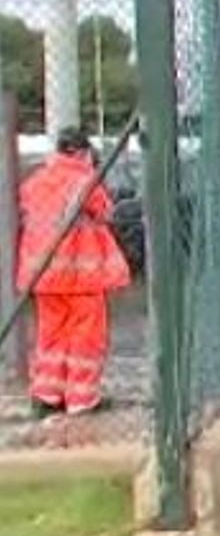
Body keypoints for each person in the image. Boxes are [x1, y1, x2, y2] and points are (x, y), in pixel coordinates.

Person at [15, 127, 131, 417]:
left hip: (43, 275)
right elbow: (106, 212)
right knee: (86, 337)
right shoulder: (85, 182)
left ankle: (46, 396)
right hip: (81, 277)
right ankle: (81, 399)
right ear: (82, 153)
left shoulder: (35, 182)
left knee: (50, 336)